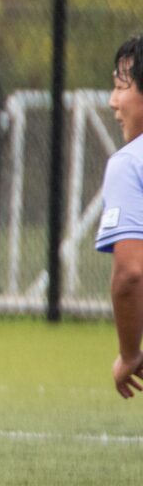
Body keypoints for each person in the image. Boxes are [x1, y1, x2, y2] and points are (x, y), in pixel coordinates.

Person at [97, 33, 143, 398]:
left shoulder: (130, 164)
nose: (113, 101)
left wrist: (129, 354)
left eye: (120, 87)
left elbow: (129, 273)